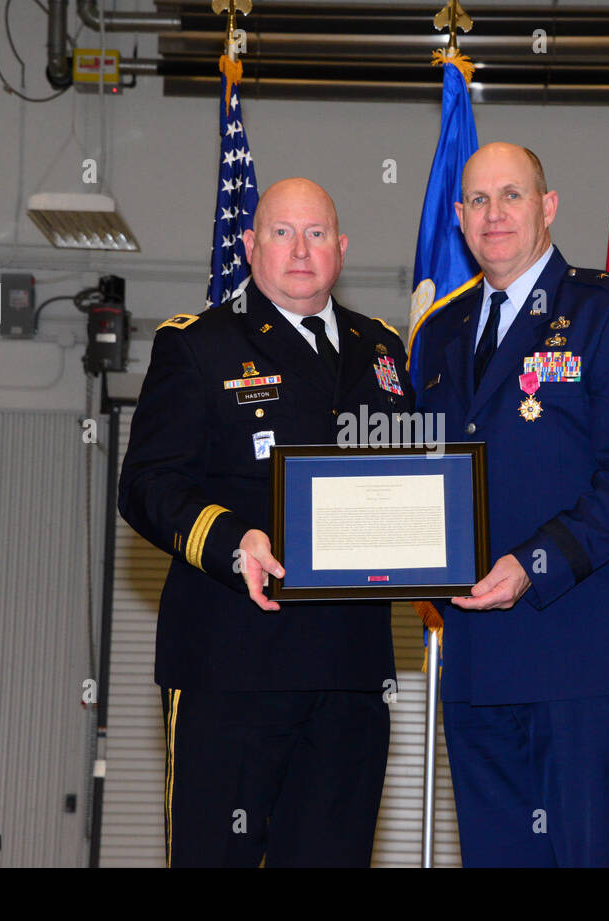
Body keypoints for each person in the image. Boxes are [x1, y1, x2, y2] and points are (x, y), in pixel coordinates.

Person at [117, 177, 412, 867]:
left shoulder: (385, 350)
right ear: (250, 247)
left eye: (316, 234)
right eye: (282, 232)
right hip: (234, 664)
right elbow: (147, 485)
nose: (301, 250)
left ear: (341, 249)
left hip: (350, 674)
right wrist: (231, 541)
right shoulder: (198, 346)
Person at [413, 143, 609, 866]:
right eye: (477, 201)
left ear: (548, 206)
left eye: (512, 195)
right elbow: (423, 475)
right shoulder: (437, 335)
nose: (493, 214)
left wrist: (535, 562)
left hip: (583, 657)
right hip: (477, 663)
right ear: (459, 219)